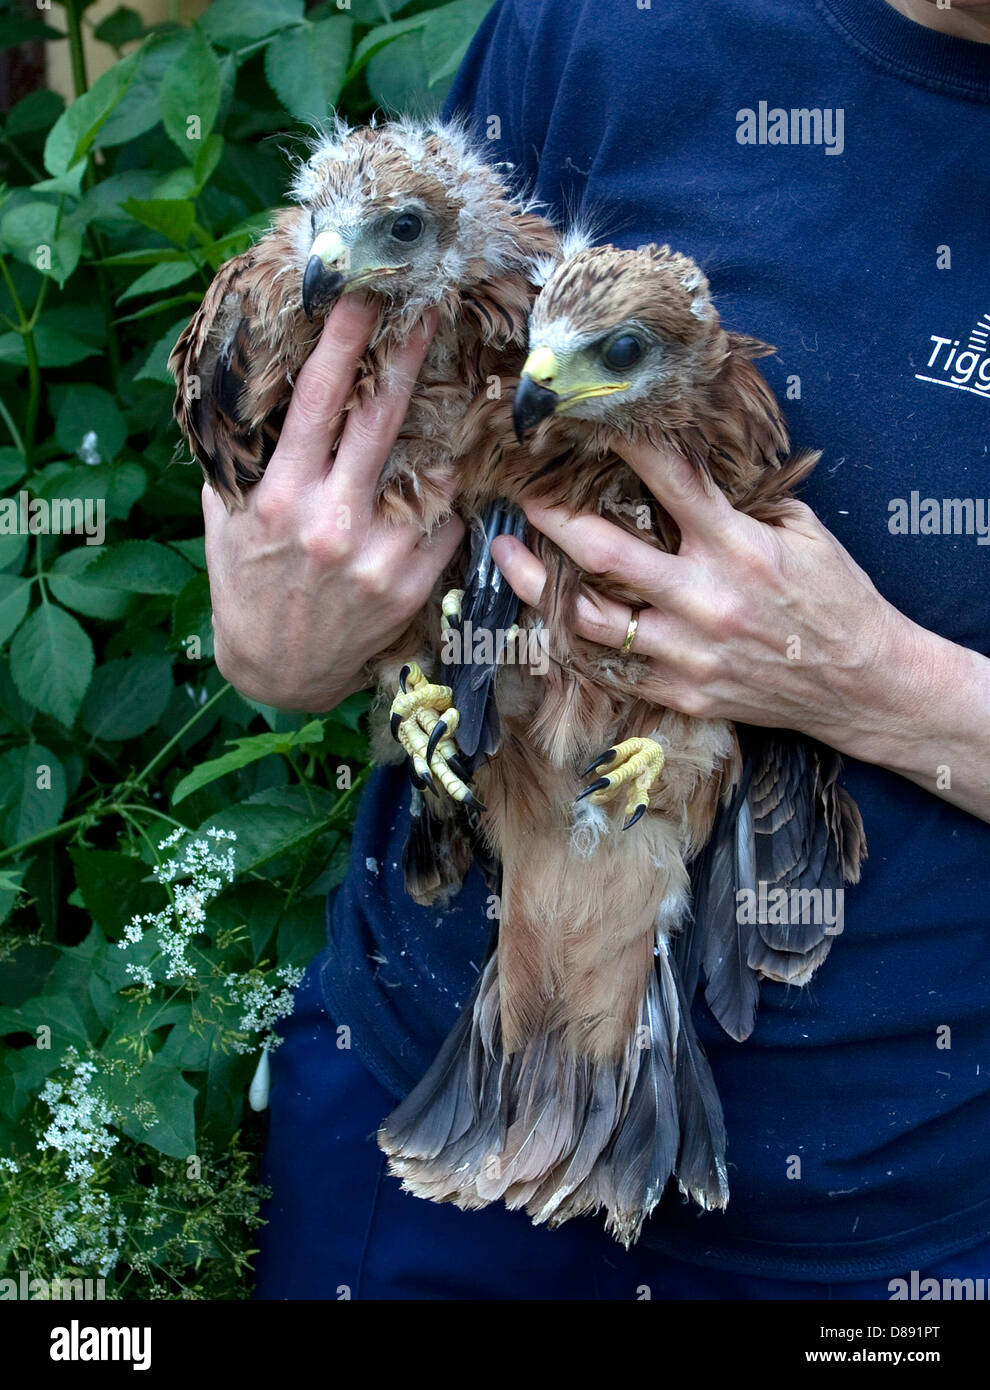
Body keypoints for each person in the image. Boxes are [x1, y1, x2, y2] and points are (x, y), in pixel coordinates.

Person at [203, 0, 990, 1299]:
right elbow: (340, 334)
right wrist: (281, 635)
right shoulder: (617, 19)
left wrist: (883, 687)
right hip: (427, 1088)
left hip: (877, 1219)